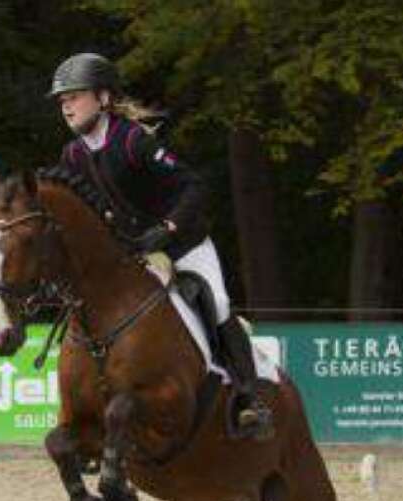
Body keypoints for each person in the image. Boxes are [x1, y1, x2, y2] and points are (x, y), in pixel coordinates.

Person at [49, 52, 272, 440]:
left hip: (183, 243)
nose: (66, 106)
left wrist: (167, 228)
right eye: (62, 100)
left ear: (103, 99)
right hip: (134, 255)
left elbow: (193, 186)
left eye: (74, 96)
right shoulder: (72, 156)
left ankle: (250, 399)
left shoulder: (133, 140)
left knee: (215, 302)